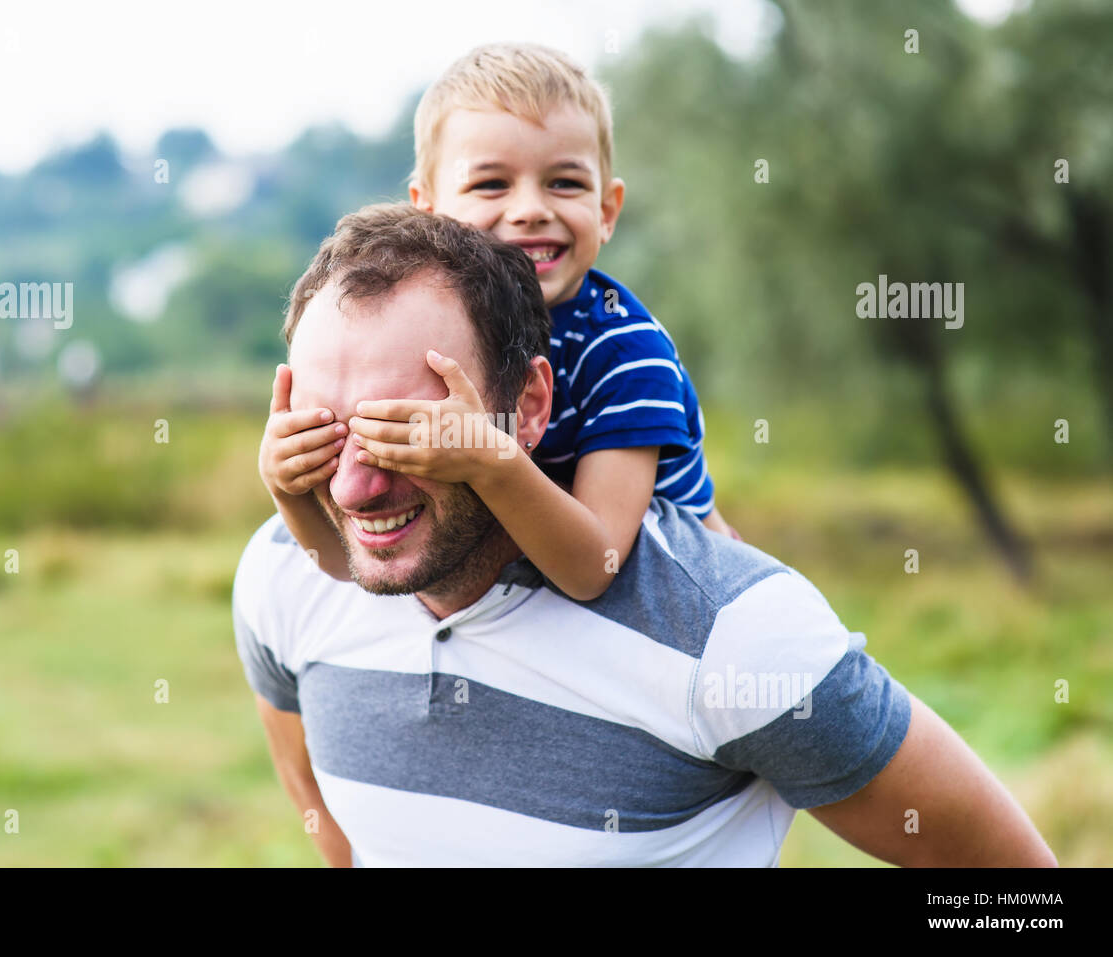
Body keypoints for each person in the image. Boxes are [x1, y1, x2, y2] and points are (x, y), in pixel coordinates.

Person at [233, 202, 1056, 867]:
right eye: (324, 432)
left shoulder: (738, 639)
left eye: (406, 429)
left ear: (526, 408)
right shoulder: (280, 580)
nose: (354, 486)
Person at [259, 43, 733, 603]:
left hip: (671, 600)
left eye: (565, 183)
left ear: (606, 211)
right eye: (491, 184)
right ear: (427, 210)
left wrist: (491, 461)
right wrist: (285, 487)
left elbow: (593, 568)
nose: (531, 208)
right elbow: (346, 567)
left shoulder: (626, 352)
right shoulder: (427, 340)